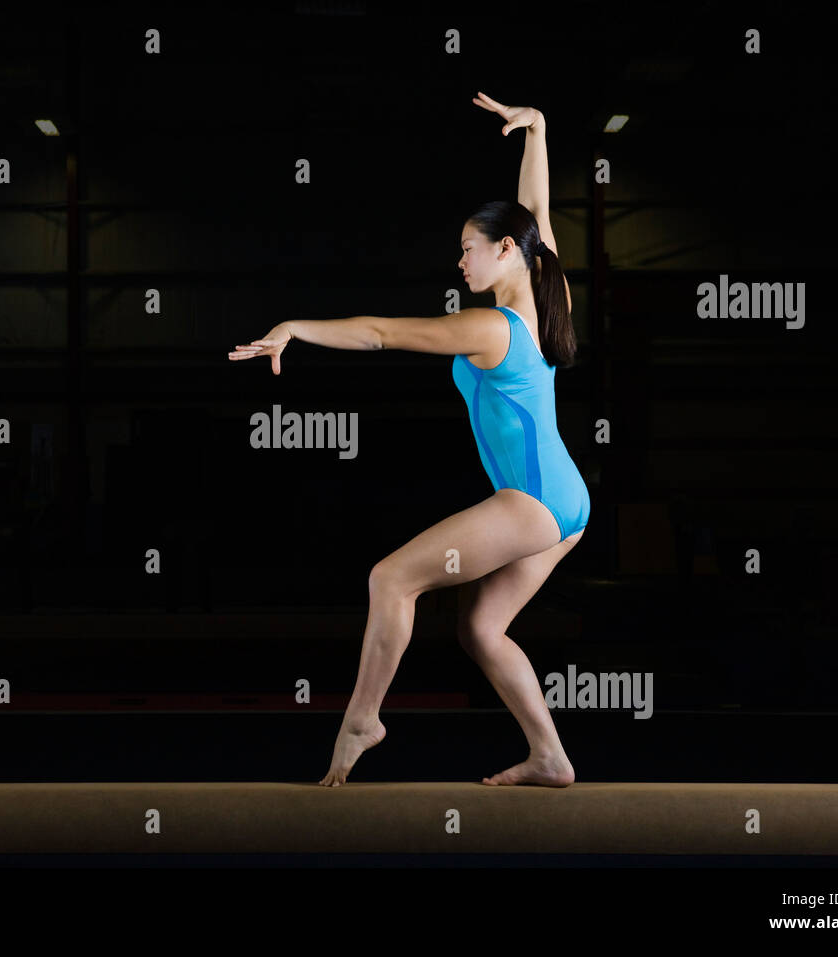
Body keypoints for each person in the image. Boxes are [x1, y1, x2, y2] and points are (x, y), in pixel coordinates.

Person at [228, 94, 590, 788]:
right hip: (565, 502)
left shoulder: (493, 331)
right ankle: (549, 754)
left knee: (391, 578)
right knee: (481, 629)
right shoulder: (548, 290)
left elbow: (380, 332)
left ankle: (363, 719)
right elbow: (537, 218)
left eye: (467, 249)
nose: (459, 263)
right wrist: (538, 130)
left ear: (502, 250)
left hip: (534, 502)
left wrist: (295, 325)